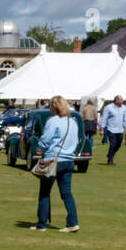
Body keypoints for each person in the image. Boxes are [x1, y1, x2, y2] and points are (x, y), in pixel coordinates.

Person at [31, 96, 79, 233]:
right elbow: (75, 141)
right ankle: (73, 223)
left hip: (54, 160)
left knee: (45, 192)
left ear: (54, 106)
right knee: (67, 194)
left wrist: (39, 148)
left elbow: (45, 139)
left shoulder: (53, 121)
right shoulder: (72, 122)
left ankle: (42, 224)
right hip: (69, 160)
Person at [99, 95, 126, 164]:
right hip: (111, 129)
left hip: (120, 130)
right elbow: (104, 118)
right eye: (121, 99)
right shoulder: (108, 108)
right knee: (113, 144)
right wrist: (102, 129)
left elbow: (125, 118)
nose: (122, 101)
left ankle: (110, 154)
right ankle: (110, 160)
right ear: (116, 100)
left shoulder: (124, 108)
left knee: (118, 145)